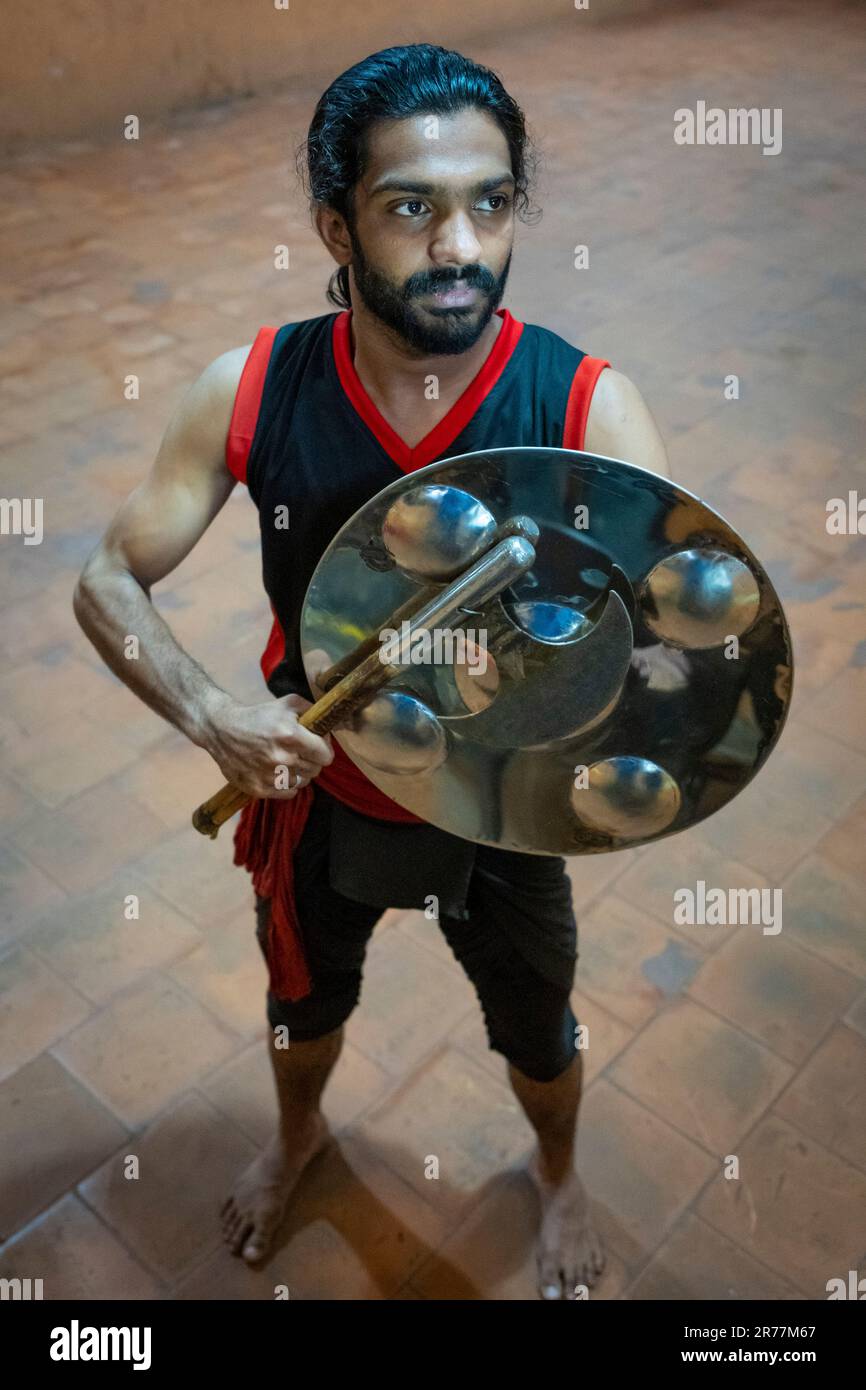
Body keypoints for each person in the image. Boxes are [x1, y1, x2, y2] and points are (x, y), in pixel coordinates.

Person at [74, 43, 670, 1300]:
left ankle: (554, 1171)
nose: (459, 245)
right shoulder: (252, 389)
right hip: (315, 793)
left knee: (539, 1028)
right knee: (301, 1005)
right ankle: (302, 1136)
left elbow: (667, 661)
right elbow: (105, 581)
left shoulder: (585, 410)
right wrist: (217, 716)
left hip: (505, 815)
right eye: (412, 208)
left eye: (490, 202)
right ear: (333, 223)